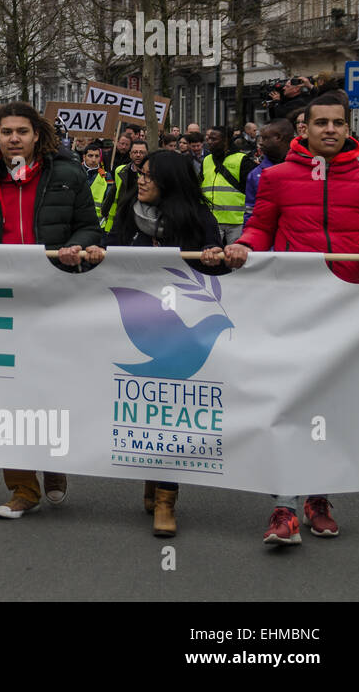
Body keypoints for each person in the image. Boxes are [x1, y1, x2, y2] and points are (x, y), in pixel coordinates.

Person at [225, 90, 359, 545]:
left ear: (350, 129)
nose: (330, 130)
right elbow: (261, 227)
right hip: (289, 305)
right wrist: (244, 246)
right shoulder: (277, 177)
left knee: (330, 408)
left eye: (338, 123)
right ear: (303, 129)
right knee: (285, 405)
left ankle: (318, 498)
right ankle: (284, 507)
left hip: (348, 312)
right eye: (321, 122)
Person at [0, 102, 102, 518]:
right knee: (6, 393)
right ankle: (21, 488)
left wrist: (79, 244)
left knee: (50, 387)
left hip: (54, 296)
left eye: (21, 131)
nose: (13, 138)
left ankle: (55, 463)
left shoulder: (68, 174)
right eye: (5, 132)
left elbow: (91, 227)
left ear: (37, 135)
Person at [93, 150, 227, 537]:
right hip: (133, 325)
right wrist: (99, 252)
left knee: (169, 409)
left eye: (150, 175)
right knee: (139, 409)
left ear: (171, 181)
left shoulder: (198, 220)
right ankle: (152, 477)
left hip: (179, 328)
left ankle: (167, 497)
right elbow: (111, 255)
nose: (142, 181)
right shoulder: (126, 212)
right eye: (140, 173)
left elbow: (211, 273)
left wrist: (215, 258)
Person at [200, 124, 255, 244]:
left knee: (236, 259)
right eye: (208, 138)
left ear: (226, 141)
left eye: (214, 139)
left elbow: (252, 191)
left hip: (237, 222)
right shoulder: (206, 161)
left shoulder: (242, 160)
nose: (209, 142)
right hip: (212, 221)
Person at [244, 119, 293, 221]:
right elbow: (250, 214)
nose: (261, 142)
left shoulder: (305, 168)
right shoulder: (255, 174)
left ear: (278, 137)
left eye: (265, 138)